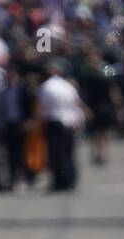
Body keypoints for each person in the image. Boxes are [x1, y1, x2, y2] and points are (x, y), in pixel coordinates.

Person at [37, 61, 85, 191]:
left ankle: (60, 181)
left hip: (54, 121)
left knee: (56, 154)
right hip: (69, 122)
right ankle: (71, 179)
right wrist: (80, 119)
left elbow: (41, 107)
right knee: (68, 152)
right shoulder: (68, 86)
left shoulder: (46, 87)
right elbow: (77, 103)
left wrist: (38, 120)